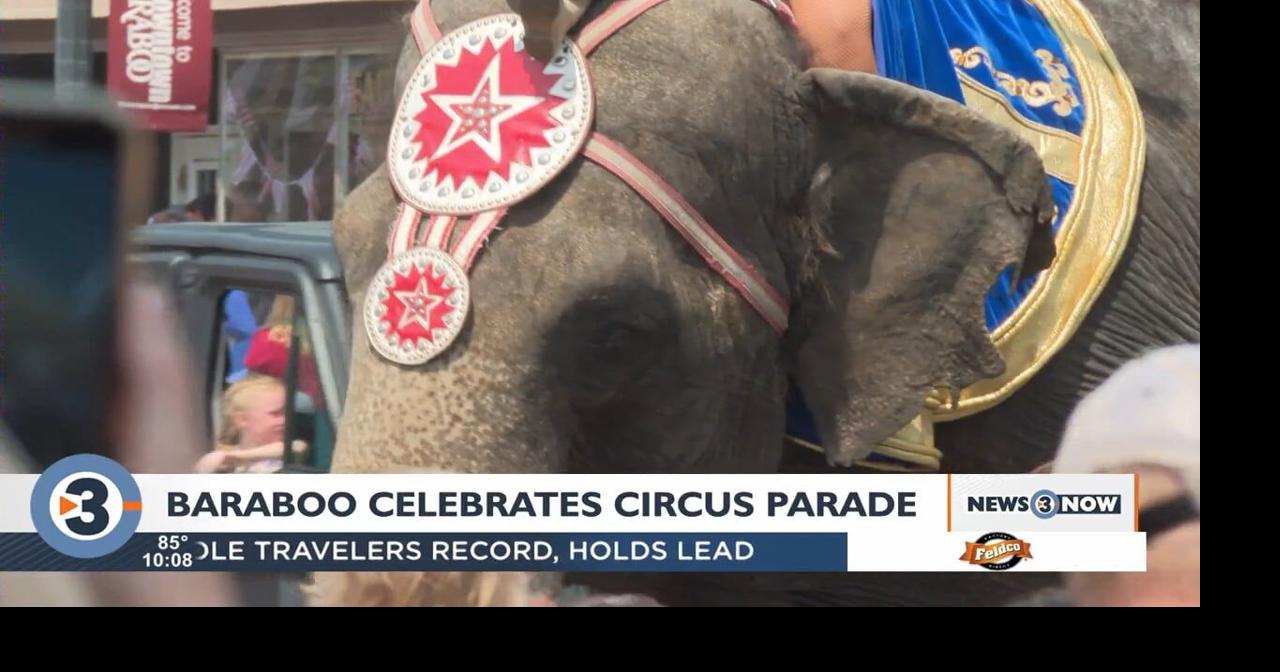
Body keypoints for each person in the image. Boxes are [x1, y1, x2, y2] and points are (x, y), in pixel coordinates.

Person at [196, 375, 307, 474]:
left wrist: (237, 458)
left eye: (287, 413)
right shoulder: (221, 458)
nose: (285, 420)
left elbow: (294, 448)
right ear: (242, 420)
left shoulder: (291, 450)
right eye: (275, 414)